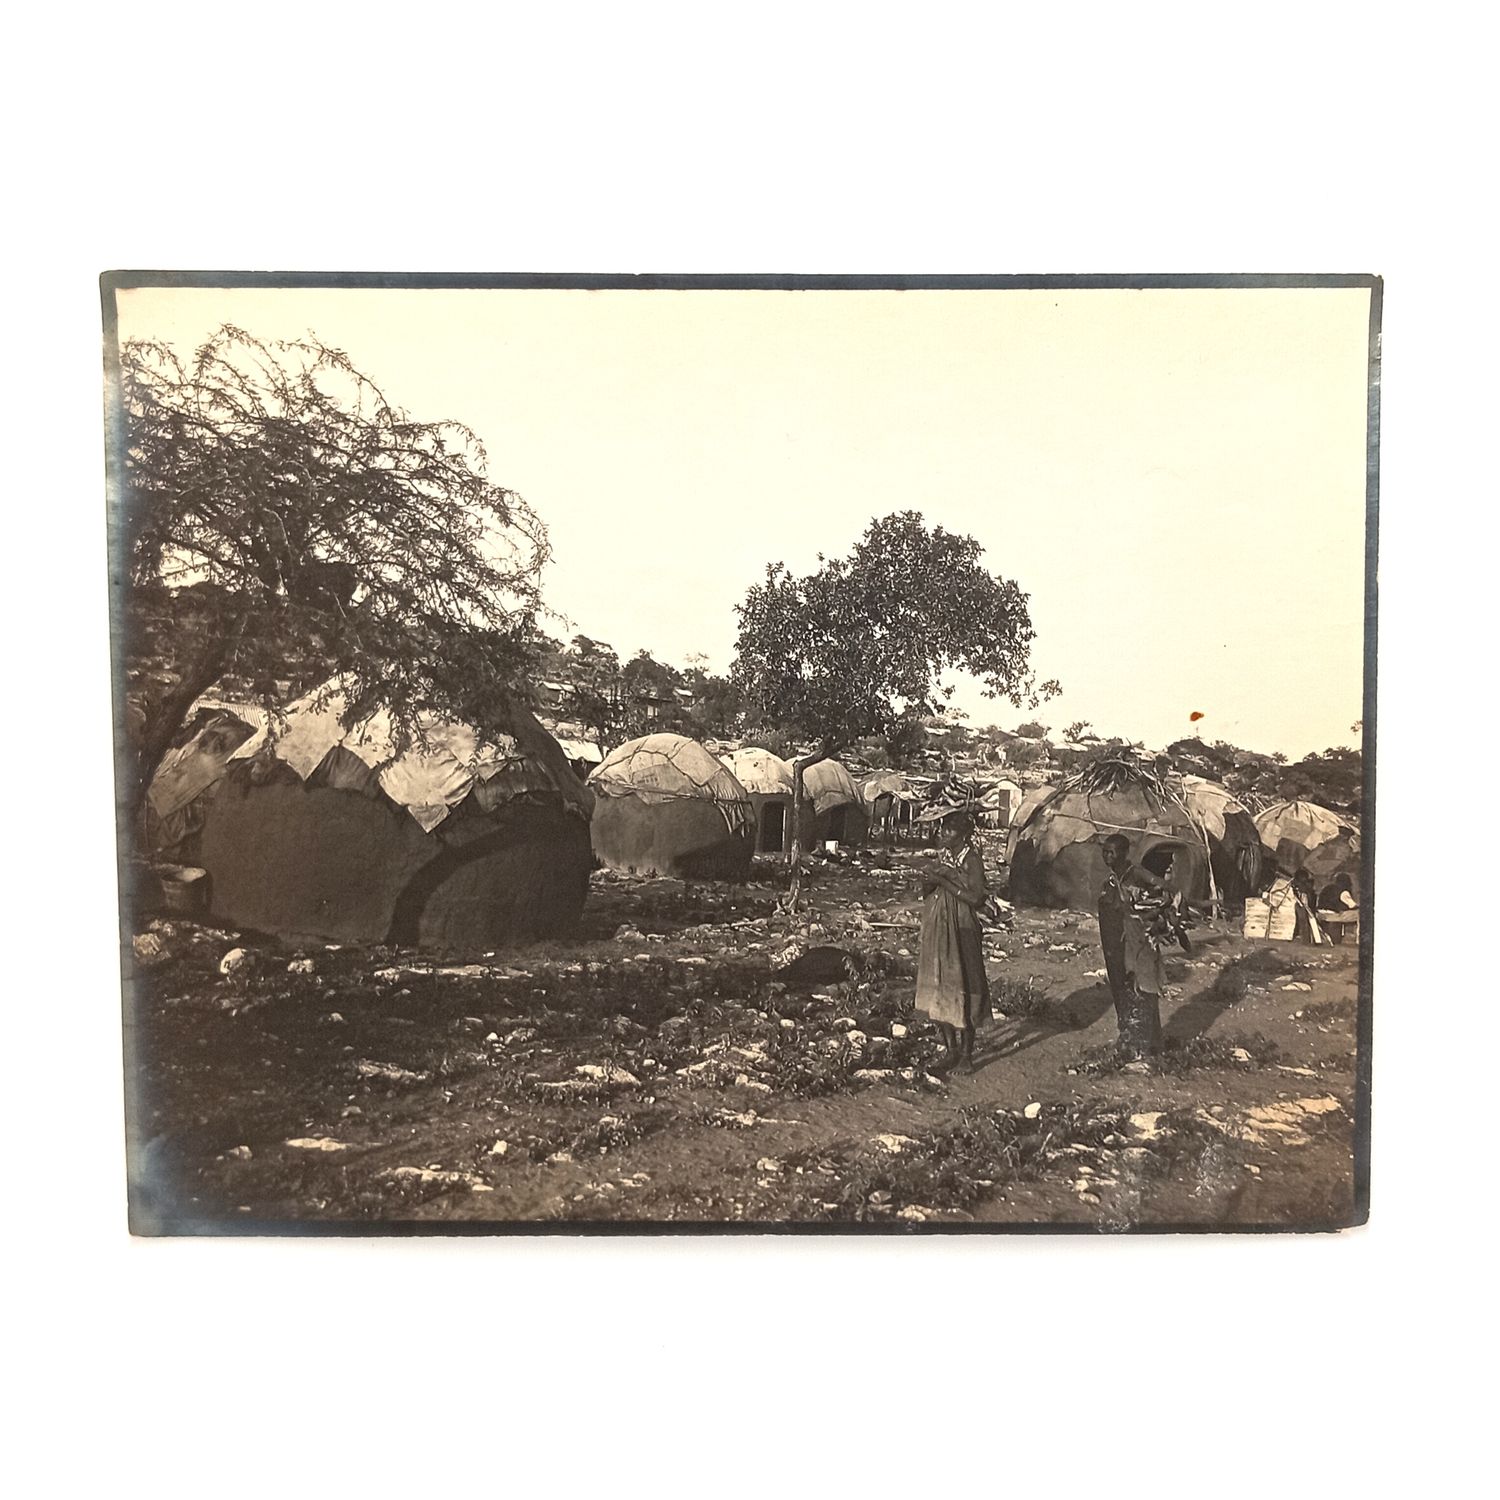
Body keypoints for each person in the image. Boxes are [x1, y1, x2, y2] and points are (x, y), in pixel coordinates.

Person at [914, 809, 991, 1071]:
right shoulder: (944, 858)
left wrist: (943, 881)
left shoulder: (972, 860)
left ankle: (967, 1056)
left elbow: (976, 898)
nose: (943, 833)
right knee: (940, 985)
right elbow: (927, 890)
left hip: (963, 928)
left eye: (950, 830)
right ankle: (951, 1050)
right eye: (943, 828)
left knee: (966, 986)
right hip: (939, 927)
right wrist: (929, 881)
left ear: (964, 835)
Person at [1097, 833, 1170, 1066]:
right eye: (1104, 851)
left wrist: (1152, 914)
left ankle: (1148, 1045)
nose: (1107, 856)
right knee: (1121, 989)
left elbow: (1167, 890)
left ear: (1125, 853)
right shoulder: (1110, 881)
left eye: (1112, 851)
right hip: (1115, 946)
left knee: (1142, 990)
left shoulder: (1137, 875)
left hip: (1137, 944)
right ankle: (1129, 1038)